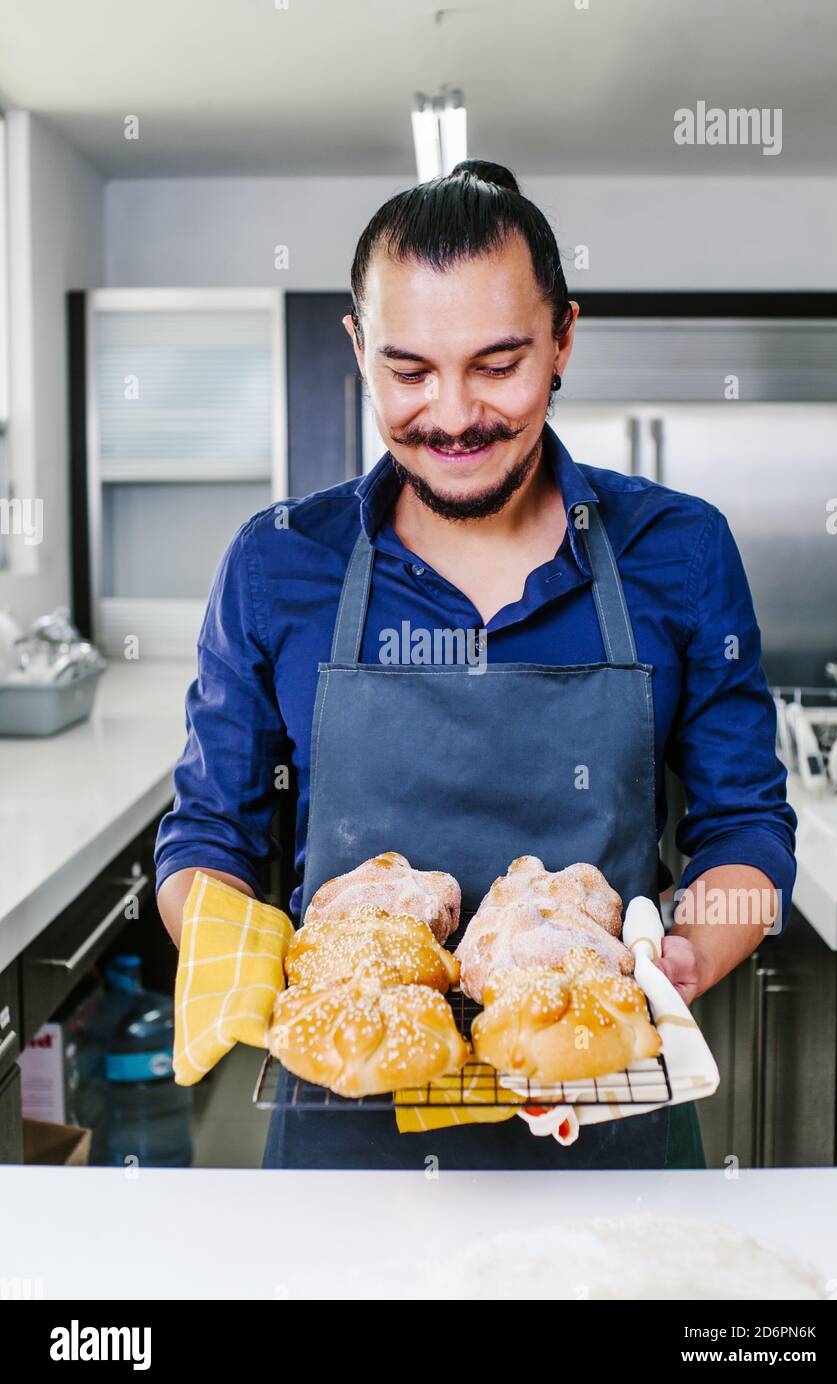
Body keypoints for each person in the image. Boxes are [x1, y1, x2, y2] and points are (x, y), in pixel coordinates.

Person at [155, 159, 796, 1169]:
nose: (451, 415)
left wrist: (682, 951)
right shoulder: (277, 563)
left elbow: (745, 827)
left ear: (562, 342)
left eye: (496, 365)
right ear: (358, 349)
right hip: (349, 1137)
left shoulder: (676, 549)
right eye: (408, 371)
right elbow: (207, 834)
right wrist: (248, 955)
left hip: (603, 1115)